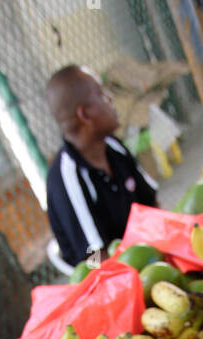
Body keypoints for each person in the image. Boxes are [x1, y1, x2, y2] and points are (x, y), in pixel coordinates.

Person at [45, 65, 159, 266]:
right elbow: (94, 258)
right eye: (101, 94)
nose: (110, 99)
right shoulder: (68, 178)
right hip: (111, 276)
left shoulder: (113, 147)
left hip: (144, 254)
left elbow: (152, 205)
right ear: (85, 115)